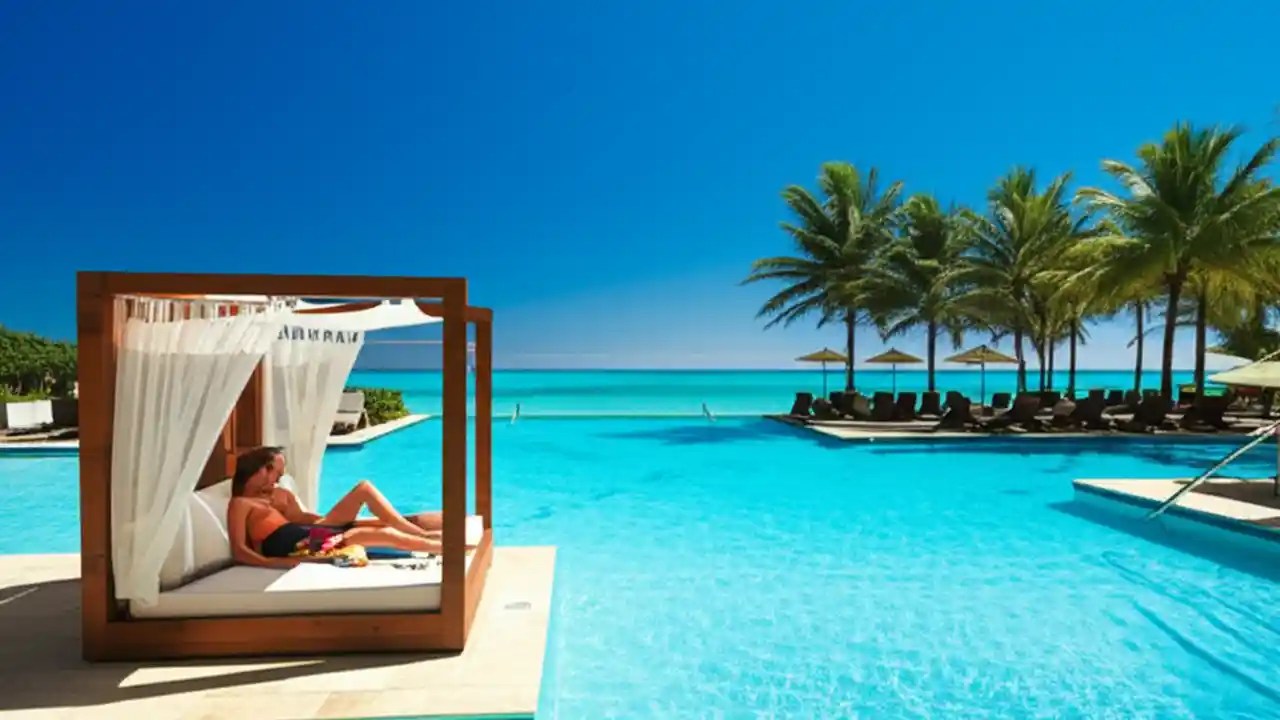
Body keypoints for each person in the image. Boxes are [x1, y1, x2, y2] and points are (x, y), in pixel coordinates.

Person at [227, 445, 450, 567]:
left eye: (278, 475)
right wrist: (272, 563)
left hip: (312, 534)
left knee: (366, 497)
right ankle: (442, 546)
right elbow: (239, 551)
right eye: (273, 472)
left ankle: (434, 541)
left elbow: (301, 518)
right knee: (368, 531)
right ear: (258, 468)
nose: (276, 480)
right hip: (303, 543)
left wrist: (329, 521)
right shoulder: (241, 504)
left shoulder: (277, 496)